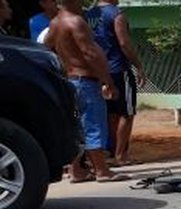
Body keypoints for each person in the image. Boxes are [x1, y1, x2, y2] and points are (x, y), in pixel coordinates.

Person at [45, 0, 127, 183]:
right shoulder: (76, 22)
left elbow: (47, 45)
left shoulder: (56, 22)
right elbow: (89, 52)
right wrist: (107, 80)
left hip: (71, 81)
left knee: (78, 127)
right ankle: (102, 171)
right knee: (94, 125)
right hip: (85, 81)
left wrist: (65, 62)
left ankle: (76, 170)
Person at [85, 0, 146, 166]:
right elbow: (124, 43)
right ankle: (121, 155)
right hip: (119, 69)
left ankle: (112, 153)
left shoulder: (88, 14)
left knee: (111, 113)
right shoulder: (116, 14)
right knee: (127, 113)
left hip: (98, 70)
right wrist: (138, 66)